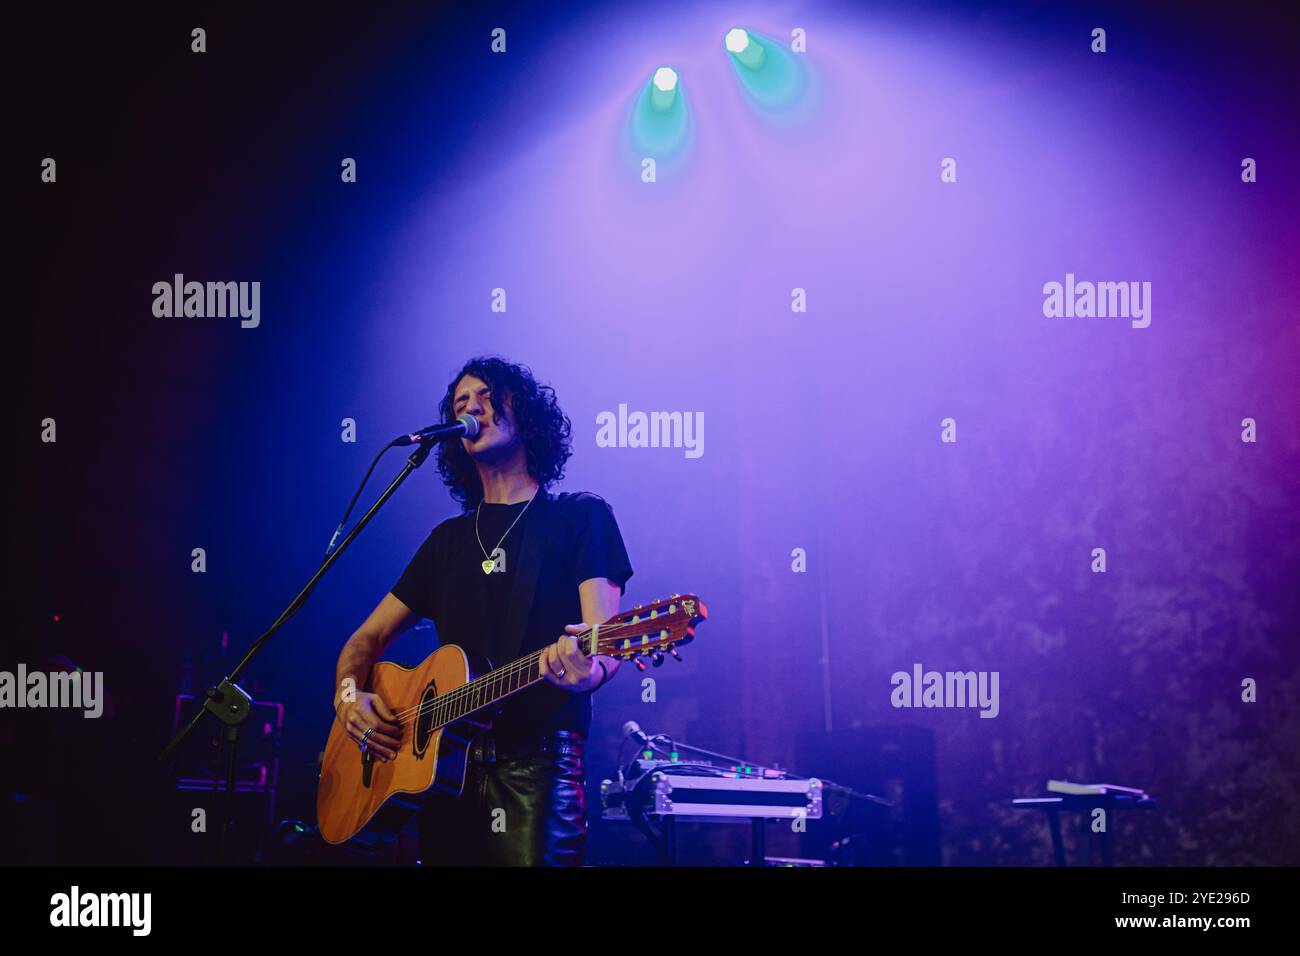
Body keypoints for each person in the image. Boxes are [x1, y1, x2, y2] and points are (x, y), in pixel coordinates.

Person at [332, 356, 633, 865]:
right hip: (443, 780)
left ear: (528, 415)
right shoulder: (446, 542)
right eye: (460, 402)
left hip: (535, 773)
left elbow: (604, 646)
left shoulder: (580, 518)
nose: (471, 406)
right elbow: (364, 642)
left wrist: (586, 669)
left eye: (488, 396)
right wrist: (348, 698)